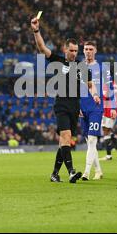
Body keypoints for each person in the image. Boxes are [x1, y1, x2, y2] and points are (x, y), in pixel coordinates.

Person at [31, 17, 99, 183]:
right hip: (61, 104)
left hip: (75, 106)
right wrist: (36, 31)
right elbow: (41, 47)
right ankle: (71, 172)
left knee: (65, 141)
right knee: (66, 136)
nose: (74, 53)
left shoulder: (82, 67)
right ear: (65, 50)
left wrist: (95, 95)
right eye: (72, 50)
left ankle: (55, 173)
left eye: (76, 51)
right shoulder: (57, 60)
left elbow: (91, 85)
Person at [79, 41, 104, 181]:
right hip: (82, 108)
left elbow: (109, 87)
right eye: (86, 49)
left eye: (90, 49)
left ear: (95, 51)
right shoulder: (79, 67)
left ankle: (86, 172)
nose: (88, 51)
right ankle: (98, 170)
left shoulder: (101, 68)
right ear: (83, 51)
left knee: (93, 140)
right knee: (90, 142)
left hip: (96, 107)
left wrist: (112, 108)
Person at [100, 79, 117, 161]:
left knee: (105, 131)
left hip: (108, 110)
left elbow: (105, 96)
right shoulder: (115, 84)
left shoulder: (107, 84)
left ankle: (109, 155)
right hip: (114, 109)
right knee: (108, 131)